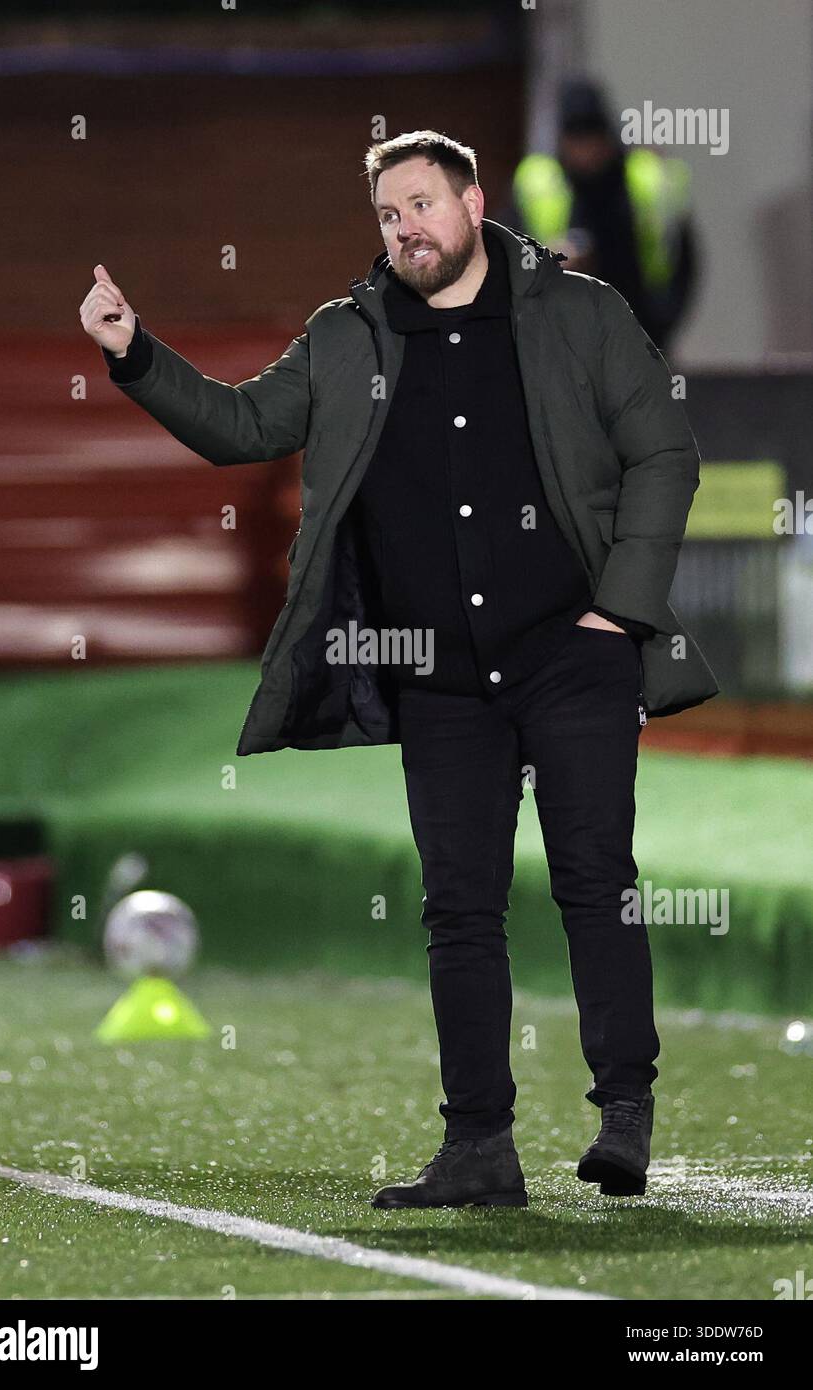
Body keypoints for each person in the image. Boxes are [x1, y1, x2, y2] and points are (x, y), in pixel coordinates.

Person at [80, 129, 717, 1210]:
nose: (405, 228)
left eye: (422, 203)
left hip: (576, 653)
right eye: (387, 214)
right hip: (439, 676)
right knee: (458, 907)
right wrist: (134, 349)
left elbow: (664, 452)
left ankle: (623, 1112)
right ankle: (478, 1147)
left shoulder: (580, 313)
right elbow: (242, 426)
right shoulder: (346, 336)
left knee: (593, 884)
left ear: (472, 202)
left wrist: (622, 609)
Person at [504, 79, 697, 350]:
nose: (586, 153)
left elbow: (683, 259)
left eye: (592, 138)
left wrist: (662, 322)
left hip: (640, 333)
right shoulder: (537, 182)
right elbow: (507, 256)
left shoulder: (647, 178)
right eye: (577, 140)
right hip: (562, 339)